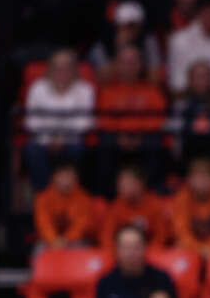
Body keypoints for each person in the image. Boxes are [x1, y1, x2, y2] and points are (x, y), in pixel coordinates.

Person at [94, 44, 166, 191]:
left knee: (156, 144)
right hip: (116, 138)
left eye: (133, 62)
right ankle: (109, 195)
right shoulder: (108, 91)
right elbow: (103, 120)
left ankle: (151, 193)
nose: (129, 66)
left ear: (140, 65)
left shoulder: (151, 91)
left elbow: (158, 119)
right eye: (125, 62)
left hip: (144, 137)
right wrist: (120, 137)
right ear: (117, 65)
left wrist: (139, 135)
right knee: (103, 145)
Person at [94, 225, 178, 298]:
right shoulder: (105, 283)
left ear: (145, 248)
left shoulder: (161, 279)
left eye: (136, 247)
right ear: (116, 250)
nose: (131, 253)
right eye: (126, 248)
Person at [23, 49, 95, 191]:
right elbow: (31, 122)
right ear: (50, 69)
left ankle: (75, 196)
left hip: (73, 140)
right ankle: (44, 196)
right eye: (57, 67)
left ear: (74, 70)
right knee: (32, 151)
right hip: (43, 139)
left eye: (67, 67)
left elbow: (85, 123)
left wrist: (62, 137)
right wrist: (51, 137)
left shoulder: (85, 90)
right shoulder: (37, 88)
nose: (62, 72)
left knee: (80, 151)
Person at [101, 165, 169, 250]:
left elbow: (161, 236)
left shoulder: (156, 205)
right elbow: (107, 237)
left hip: (150, 254)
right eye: (121, 184)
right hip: (123, 256)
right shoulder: (116, 207)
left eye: (128, 183)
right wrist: (117, 254)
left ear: (140, 183)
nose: (123, 188)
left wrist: (146, 254)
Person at [33, 161, 95, 247]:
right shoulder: (43, 198)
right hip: (49, 241)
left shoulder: (84, 198)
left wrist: (67, 239)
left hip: (75, 240)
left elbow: (82, 225)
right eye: (62, 176)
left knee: (83, 248)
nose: (65, 181)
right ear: (54, 178)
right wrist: (53, 240)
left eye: (69, 176)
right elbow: (43, 223)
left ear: (76, 178)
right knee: (39, 250)